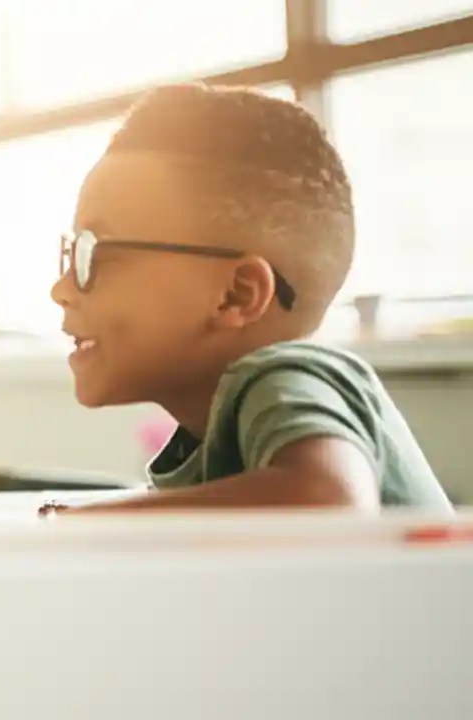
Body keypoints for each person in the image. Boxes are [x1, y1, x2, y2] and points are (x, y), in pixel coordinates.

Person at [47, 83, 451, 514]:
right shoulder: (217, 436)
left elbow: (329, 503)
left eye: (94, 254)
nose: (60, 290)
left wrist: (75, 526)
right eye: (71, 252)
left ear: (235, 295)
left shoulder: (285, 375)